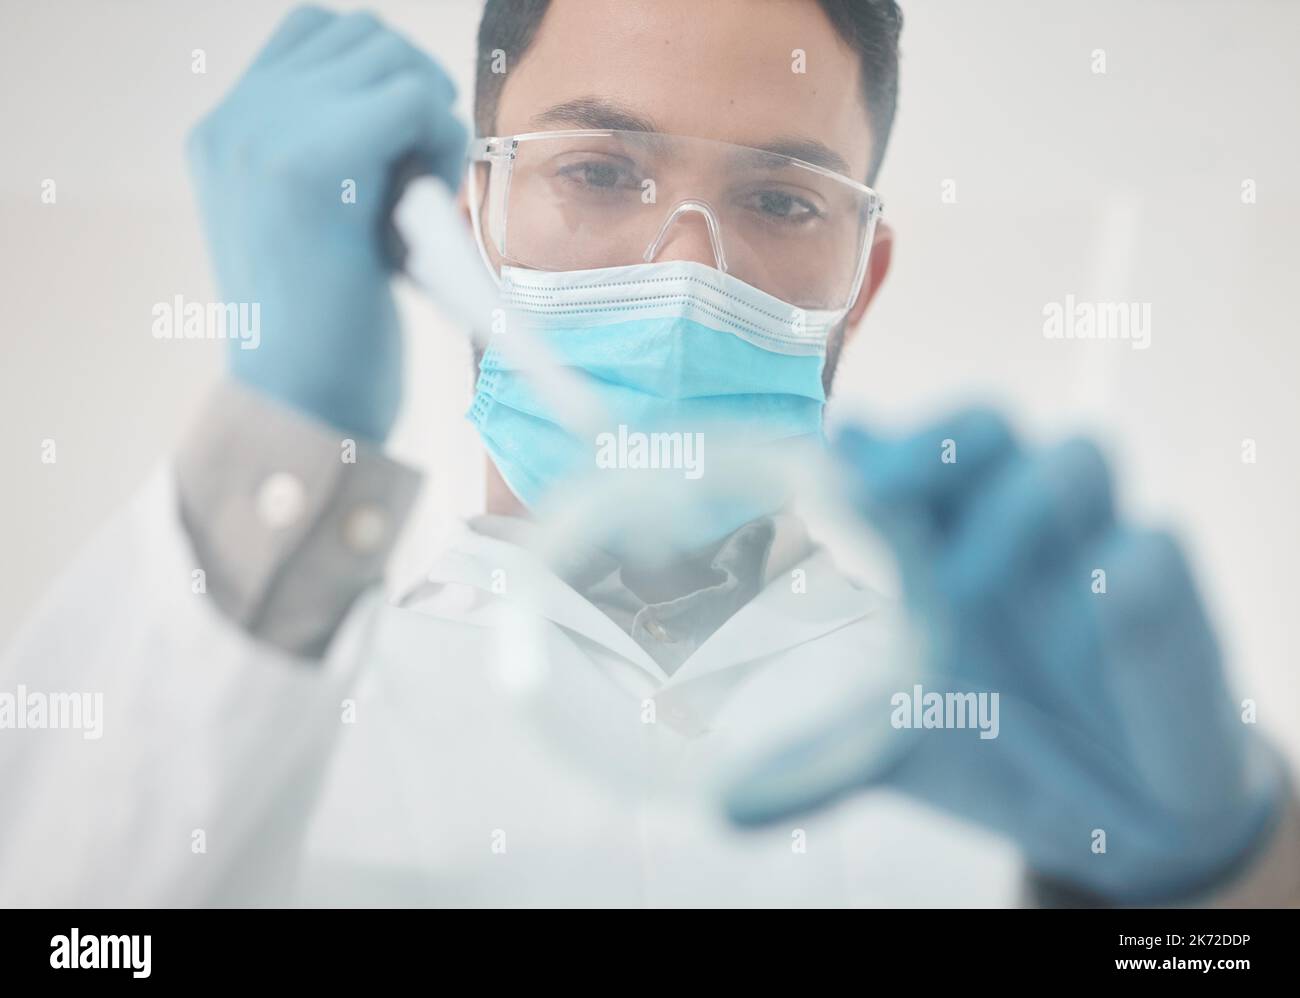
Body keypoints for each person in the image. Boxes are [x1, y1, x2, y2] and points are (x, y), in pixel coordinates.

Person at [1, 0, 1295, 907]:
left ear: (861, 279)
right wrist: (276, 446)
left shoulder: (1004, 729)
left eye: (782, 200)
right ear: (472, 225)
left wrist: (1221, 894)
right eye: (602, 170)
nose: (683, 273)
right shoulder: (254, 676)